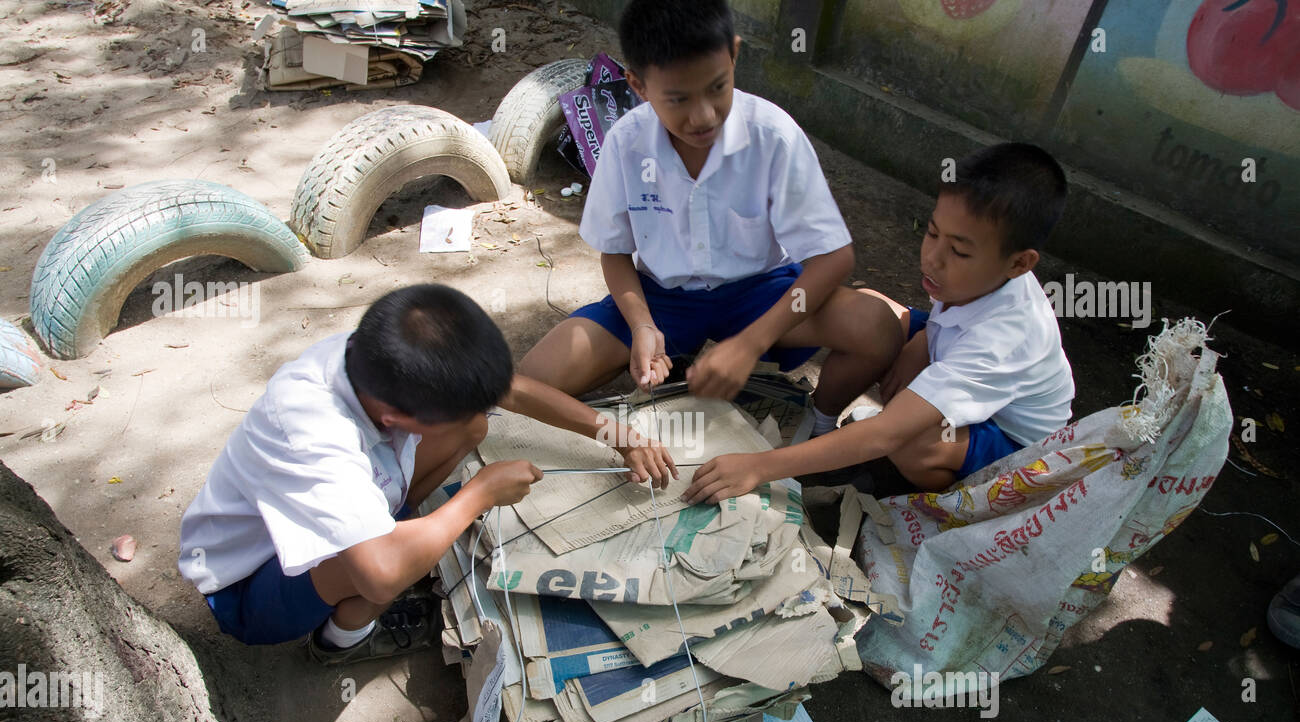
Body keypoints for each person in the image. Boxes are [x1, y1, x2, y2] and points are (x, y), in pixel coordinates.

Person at [179, 284, 676, 664]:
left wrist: (617, 434)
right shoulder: (313, 431)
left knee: (474, 425)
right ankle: (340, 643)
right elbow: (379, 573)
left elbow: (513, 391)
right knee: (380, 569)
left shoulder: (383, 359)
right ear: (395, 418)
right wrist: (478, 495)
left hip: (330, 511)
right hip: (245, 589)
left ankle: (407, 529)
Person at [517, 0, 901, 416]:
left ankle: (819, 423)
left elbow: (834, 258)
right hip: (664, 297)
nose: (702, 116)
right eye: (678, 99)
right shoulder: (626, 141)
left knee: (876, 327)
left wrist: (750, 344)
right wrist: (642, 324)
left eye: (717, 88)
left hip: (765, 293)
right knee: (529, 383)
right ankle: (674, 353)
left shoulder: (774, 136)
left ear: (734, 55)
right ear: (638, 86)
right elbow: (614, 251)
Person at [685, 142, 1077, 503]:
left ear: (1019, 263)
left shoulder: (1006, 337)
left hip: (1008, 445)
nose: (933, 258)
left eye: (958, 250)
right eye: (932, 232)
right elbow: (949, 318)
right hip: (963, 366)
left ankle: (937, 497)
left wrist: (758, 466)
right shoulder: (974, 275)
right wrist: (919, 345)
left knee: (913, 439)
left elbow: (888, 432)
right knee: (870, 312)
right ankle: (821, 426)